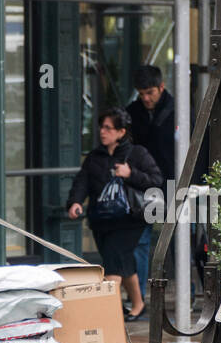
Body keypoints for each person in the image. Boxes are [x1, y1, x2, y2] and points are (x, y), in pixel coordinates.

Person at [66, 107, 163, 321]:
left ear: (121, 132)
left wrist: (131, 174)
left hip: (130, 220)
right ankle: (138, 305)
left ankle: (109, 316)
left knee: (112, 266)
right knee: (124, 263)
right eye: (101, 127)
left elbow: (156, 180)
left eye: (108, 128)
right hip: (102, 221)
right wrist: (75, 202)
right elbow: (82, 181)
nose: (102, 132)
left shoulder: (137, 153)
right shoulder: (95, 157)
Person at [125, 65, 176, 289]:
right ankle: (141, 295)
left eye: (150, 93)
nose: (145, 98)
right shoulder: (132, 112)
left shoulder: (179, 110)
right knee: (140, 240)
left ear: (161, 87)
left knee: (179, 240)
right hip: (144, 183)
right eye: (141, 93)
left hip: (174, 182)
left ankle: (189, 292)